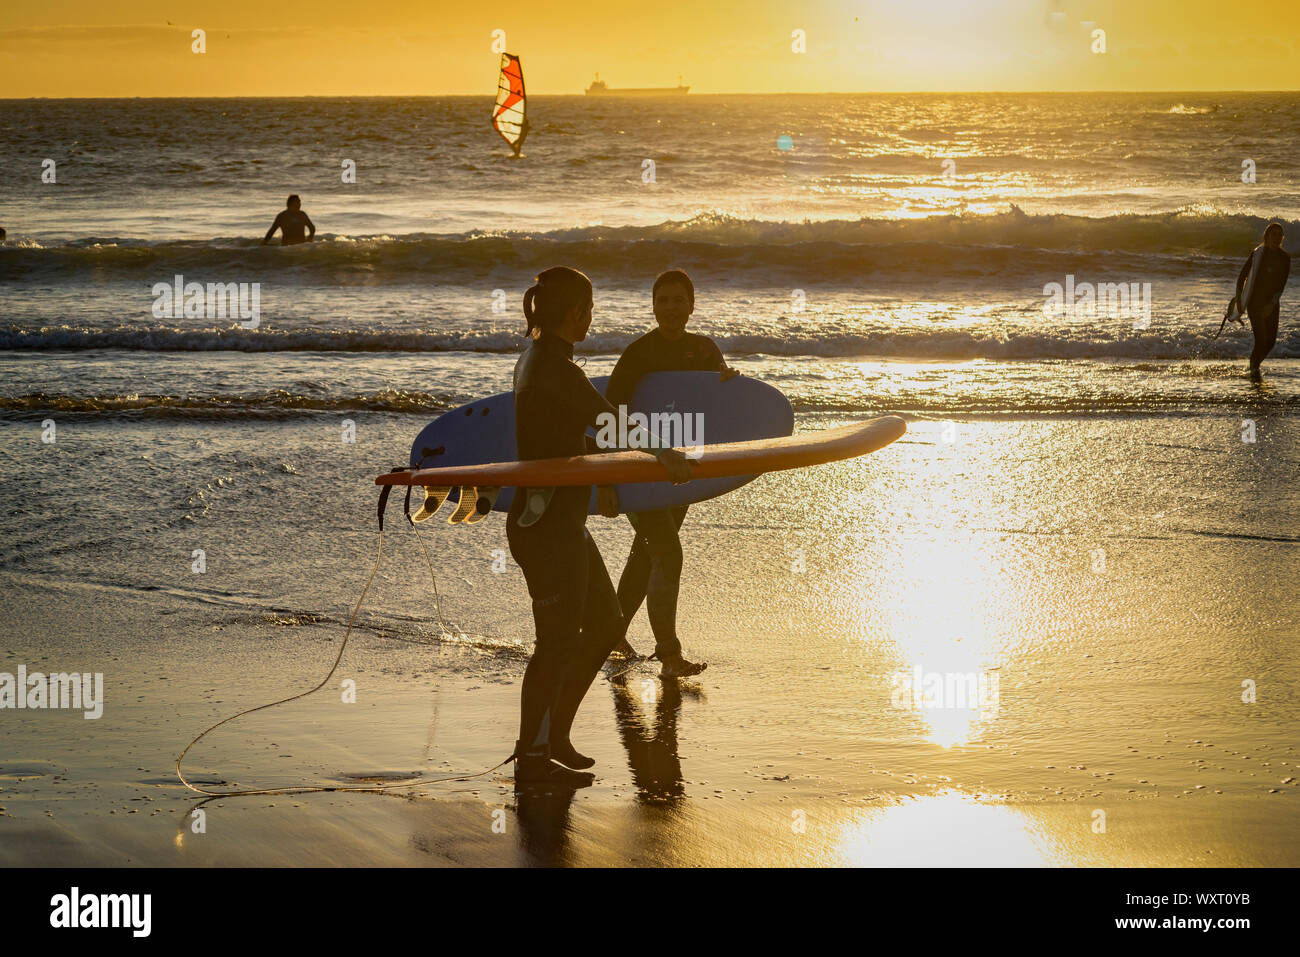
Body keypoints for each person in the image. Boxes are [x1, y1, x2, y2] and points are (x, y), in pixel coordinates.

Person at [508, 266, 692, 787]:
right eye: (589, 308)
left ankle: (552, 736)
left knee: (607, 623)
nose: (593, 317)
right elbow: (616, 425)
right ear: (574, 312)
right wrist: (665, 456)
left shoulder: (541, 360)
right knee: (556, 644)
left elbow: (566, 436)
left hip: (561, 524)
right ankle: (532, 757)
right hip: (544, 528)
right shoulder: (554, 368)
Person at [605, 269, 738, 678]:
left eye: (678, 300)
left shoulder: (704, 351)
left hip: (680, 470)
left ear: (691, 305)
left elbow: (717, 408)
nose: (670, 308)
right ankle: (669, 657)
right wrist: (607, 480)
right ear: (653, 305)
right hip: (640, 468)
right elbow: (608, 416)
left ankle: (610, 634)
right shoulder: (638, 354)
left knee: (646, 554)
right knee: (668, 552)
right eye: (662, 300)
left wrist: (730, 382)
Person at [1233, 222, 1290, 378]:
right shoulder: (1258, 254)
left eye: (1280, 234)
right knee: (1261, 339)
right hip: (1255, 303)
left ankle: (1254, 365)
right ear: (1266, 236)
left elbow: (1281, 285)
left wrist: (1271, 305)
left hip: (1272, 303)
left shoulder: (1284, 258)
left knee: (1270, 342)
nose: (1277, 237)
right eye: (1274, 234)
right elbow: (1242, 276)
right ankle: (1254, 369)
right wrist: (1239, 299)